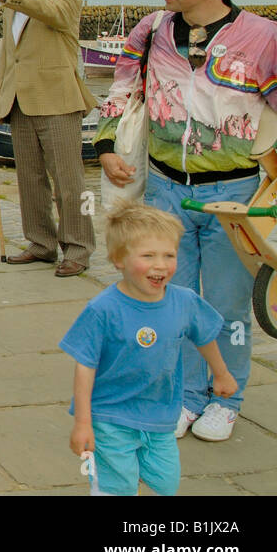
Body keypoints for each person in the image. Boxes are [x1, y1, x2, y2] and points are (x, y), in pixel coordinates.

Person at [97, 0, 277, 443]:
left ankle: (227, 399)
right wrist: (106, 145)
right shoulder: (152, 29)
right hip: (163, 194)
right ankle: (183, 397)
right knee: (171, 301)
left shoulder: (263, 37)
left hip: (236, 198)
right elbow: (121, 89)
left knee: (226, 309)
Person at [61, 202, 235, 495]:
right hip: (110, 416)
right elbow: (85, 365)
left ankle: (132, 470)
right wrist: (82, 423)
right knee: (117, 487)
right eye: (148, 256)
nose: (161, 265)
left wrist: (221, 374)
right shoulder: (103, 310)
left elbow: (204, 335)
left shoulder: (184, 301)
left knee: (166, 484)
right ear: (119, 259)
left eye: (169, 255)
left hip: (161, 413)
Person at [0, 0, 98, 277]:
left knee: (70, 183)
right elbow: (8, 57)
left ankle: (79, 248)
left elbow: (51, 13)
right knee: (30, 180)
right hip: (19, 102)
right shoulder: (13, 5)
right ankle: (41, 244)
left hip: (58, 102)